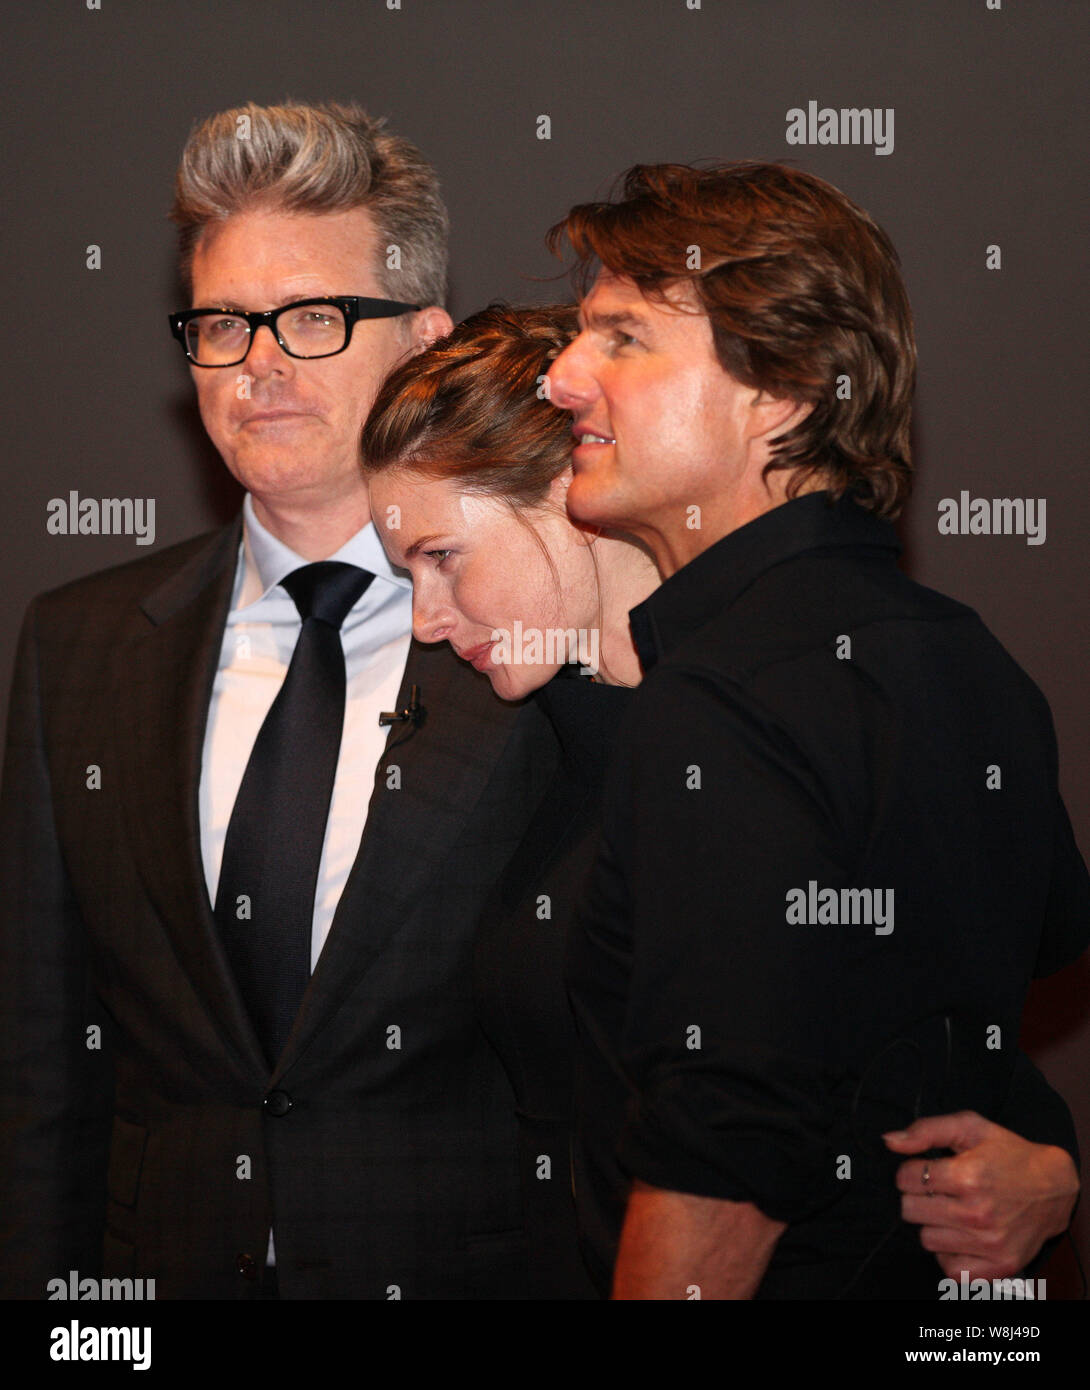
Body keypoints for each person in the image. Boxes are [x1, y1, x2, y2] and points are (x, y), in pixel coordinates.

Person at [362, 302, 1085, 1298]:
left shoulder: (766, 714)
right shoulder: (496, 738)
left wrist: (1046, 1160)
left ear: (569, 487)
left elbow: (945, 999)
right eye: (406, 570)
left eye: (443, 556)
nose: (425, 620)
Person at [0, 101, 560, 1300]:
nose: (258, 364)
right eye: (221, 324)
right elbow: (43, 1068)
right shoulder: (78, 644)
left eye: (312, 318)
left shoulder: (535, 636)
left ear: (425, 341)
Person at [542, 161, 1090, 1299]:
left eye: (624, 338)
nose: (562, 378)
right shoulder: (974, 658)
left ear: (784, 391)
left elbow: (726, 1161)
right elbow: (1019, 957)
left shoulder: (723, 699)